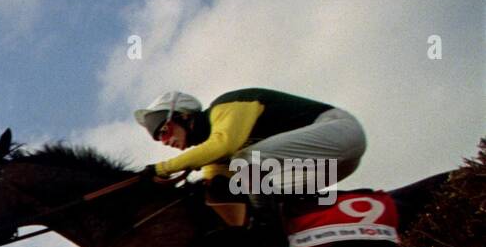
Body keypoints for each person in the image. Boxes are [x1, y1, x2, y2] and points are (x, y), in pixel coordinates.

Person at [135, 88, 366, 209]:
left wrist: (161, 169)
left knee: (244, 161)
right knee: (245, 191)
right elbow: (213, 188)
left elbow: (223, 145)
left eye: (164, 131)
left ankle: (272, 240)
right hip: (331, 167)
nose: (165, 141)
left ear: (184, 116)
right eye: (159, 140)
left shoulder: (225, 107)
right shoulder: (214, 156)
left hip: (341, 131)